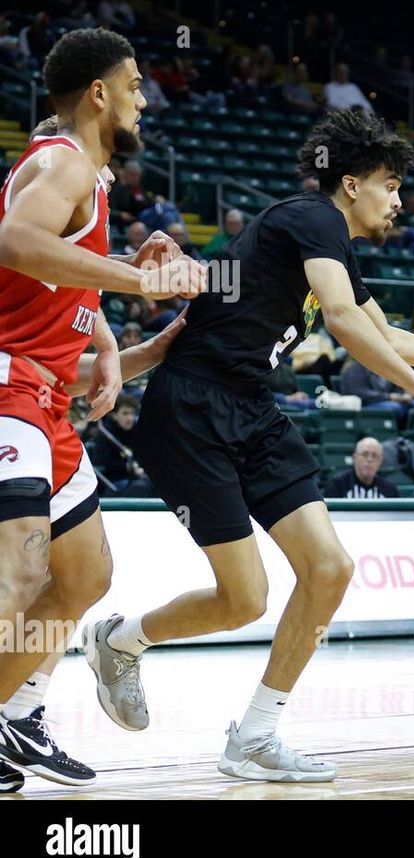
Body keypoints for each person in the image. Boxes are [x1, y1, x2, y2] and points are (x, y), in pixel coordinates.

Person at [80, 109, 414, 783]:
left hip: (253, 408)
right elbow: (341, 321)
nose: (399, 201)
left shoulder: (335, 249)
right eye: (391, 185)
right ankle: (120, 639)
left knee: (330, 568)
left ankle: (254, 737)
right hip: (191, 406)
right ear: (351, 184)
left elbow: (385, 335)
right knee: (244, 600)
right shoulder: (311, 217)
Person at [0, 30, 204, 788]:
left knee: (85, 576)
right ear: (98, 93)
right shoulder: (64, 163)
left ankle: (17, 717)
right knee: (21, 573)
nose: (145, 100)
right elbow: (16, 242)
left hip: (47, 400)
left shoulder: (86, 180)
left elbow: (56, 297)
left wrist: (134, 346)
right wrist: (137, 280)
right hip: (9, 390)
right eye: (136, 85)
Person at [323, 437, 400, 499]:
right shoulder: (337, 485)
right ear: (355, 457)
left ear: (380, 460)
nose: (370, 459)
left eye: (375, 455)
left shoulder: (390, 489)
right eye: (365, 454)